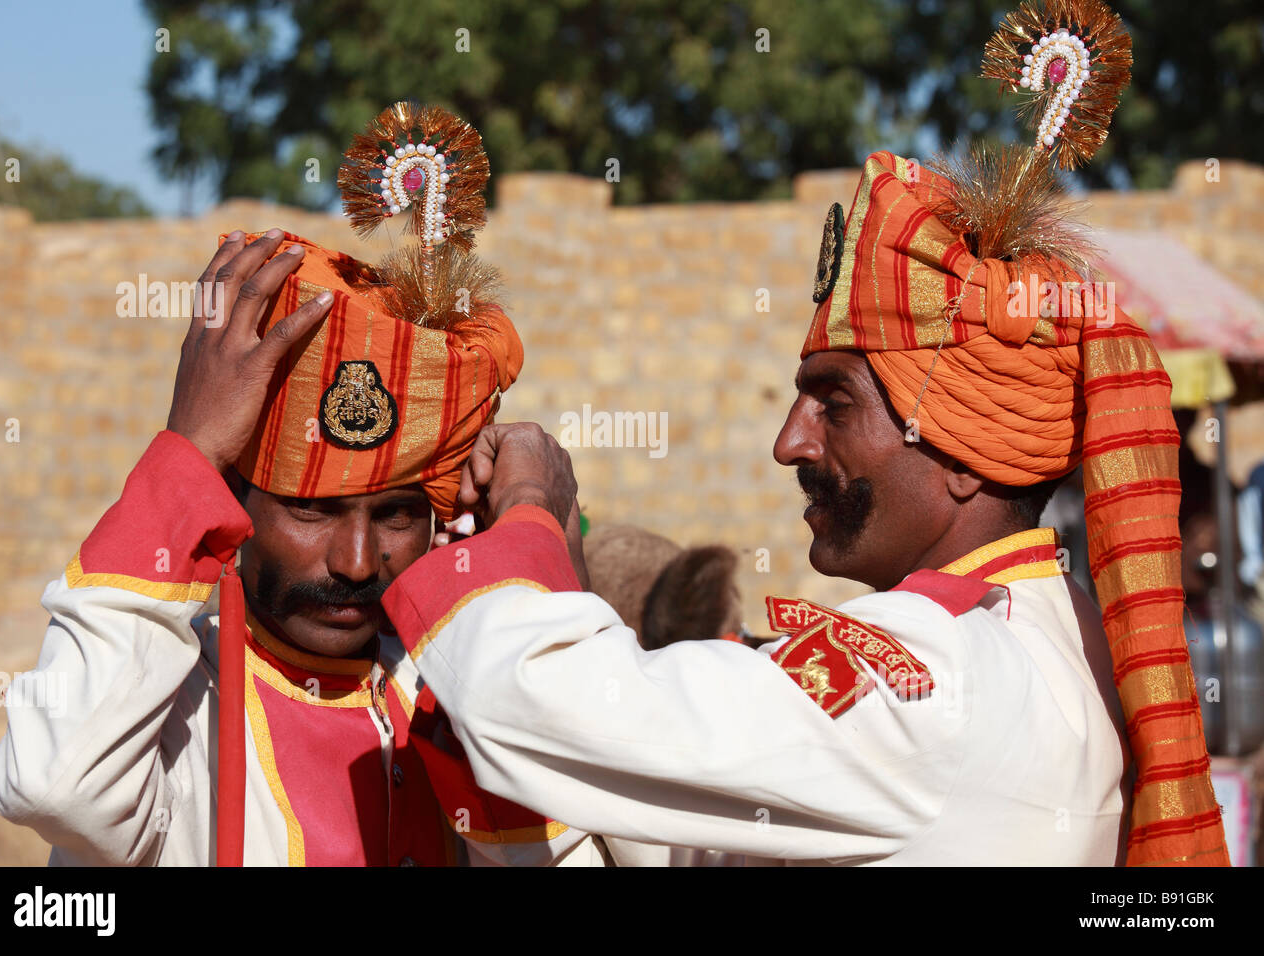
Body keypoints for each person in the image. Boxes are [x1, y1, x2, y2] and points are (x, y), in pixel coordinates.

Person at [376, 3, 1229, 866]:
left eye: (835, 402)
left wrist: (526, 509)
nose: (790, 443)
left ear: (965, 460)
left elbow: (537, 704)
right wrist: (558, 565)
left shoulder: (931, 678)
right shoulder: (1058, 638)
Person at [0, 105, 595, 866]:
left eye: (399, 514)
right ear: (232, 502)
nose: (357, 560)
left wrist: (535, 540)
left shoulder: (450, 698)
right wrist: (188, 454)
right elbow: (54, 785)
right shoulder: (168, 710)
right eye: (312, 508)